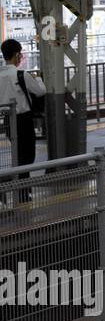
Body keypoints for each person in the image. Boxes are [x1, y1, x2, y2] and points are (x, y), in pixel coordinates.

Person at [0, 38, 46, 204]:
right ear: (17, 55)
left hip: (7, 120)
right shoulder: (21, 74)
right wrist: (39, 78)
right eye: (20, 53)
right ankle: (20, 191)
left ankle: (22, 191)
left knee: (17, 156)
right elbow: (40, 91)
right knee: (27, 157)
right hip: (23, 120)